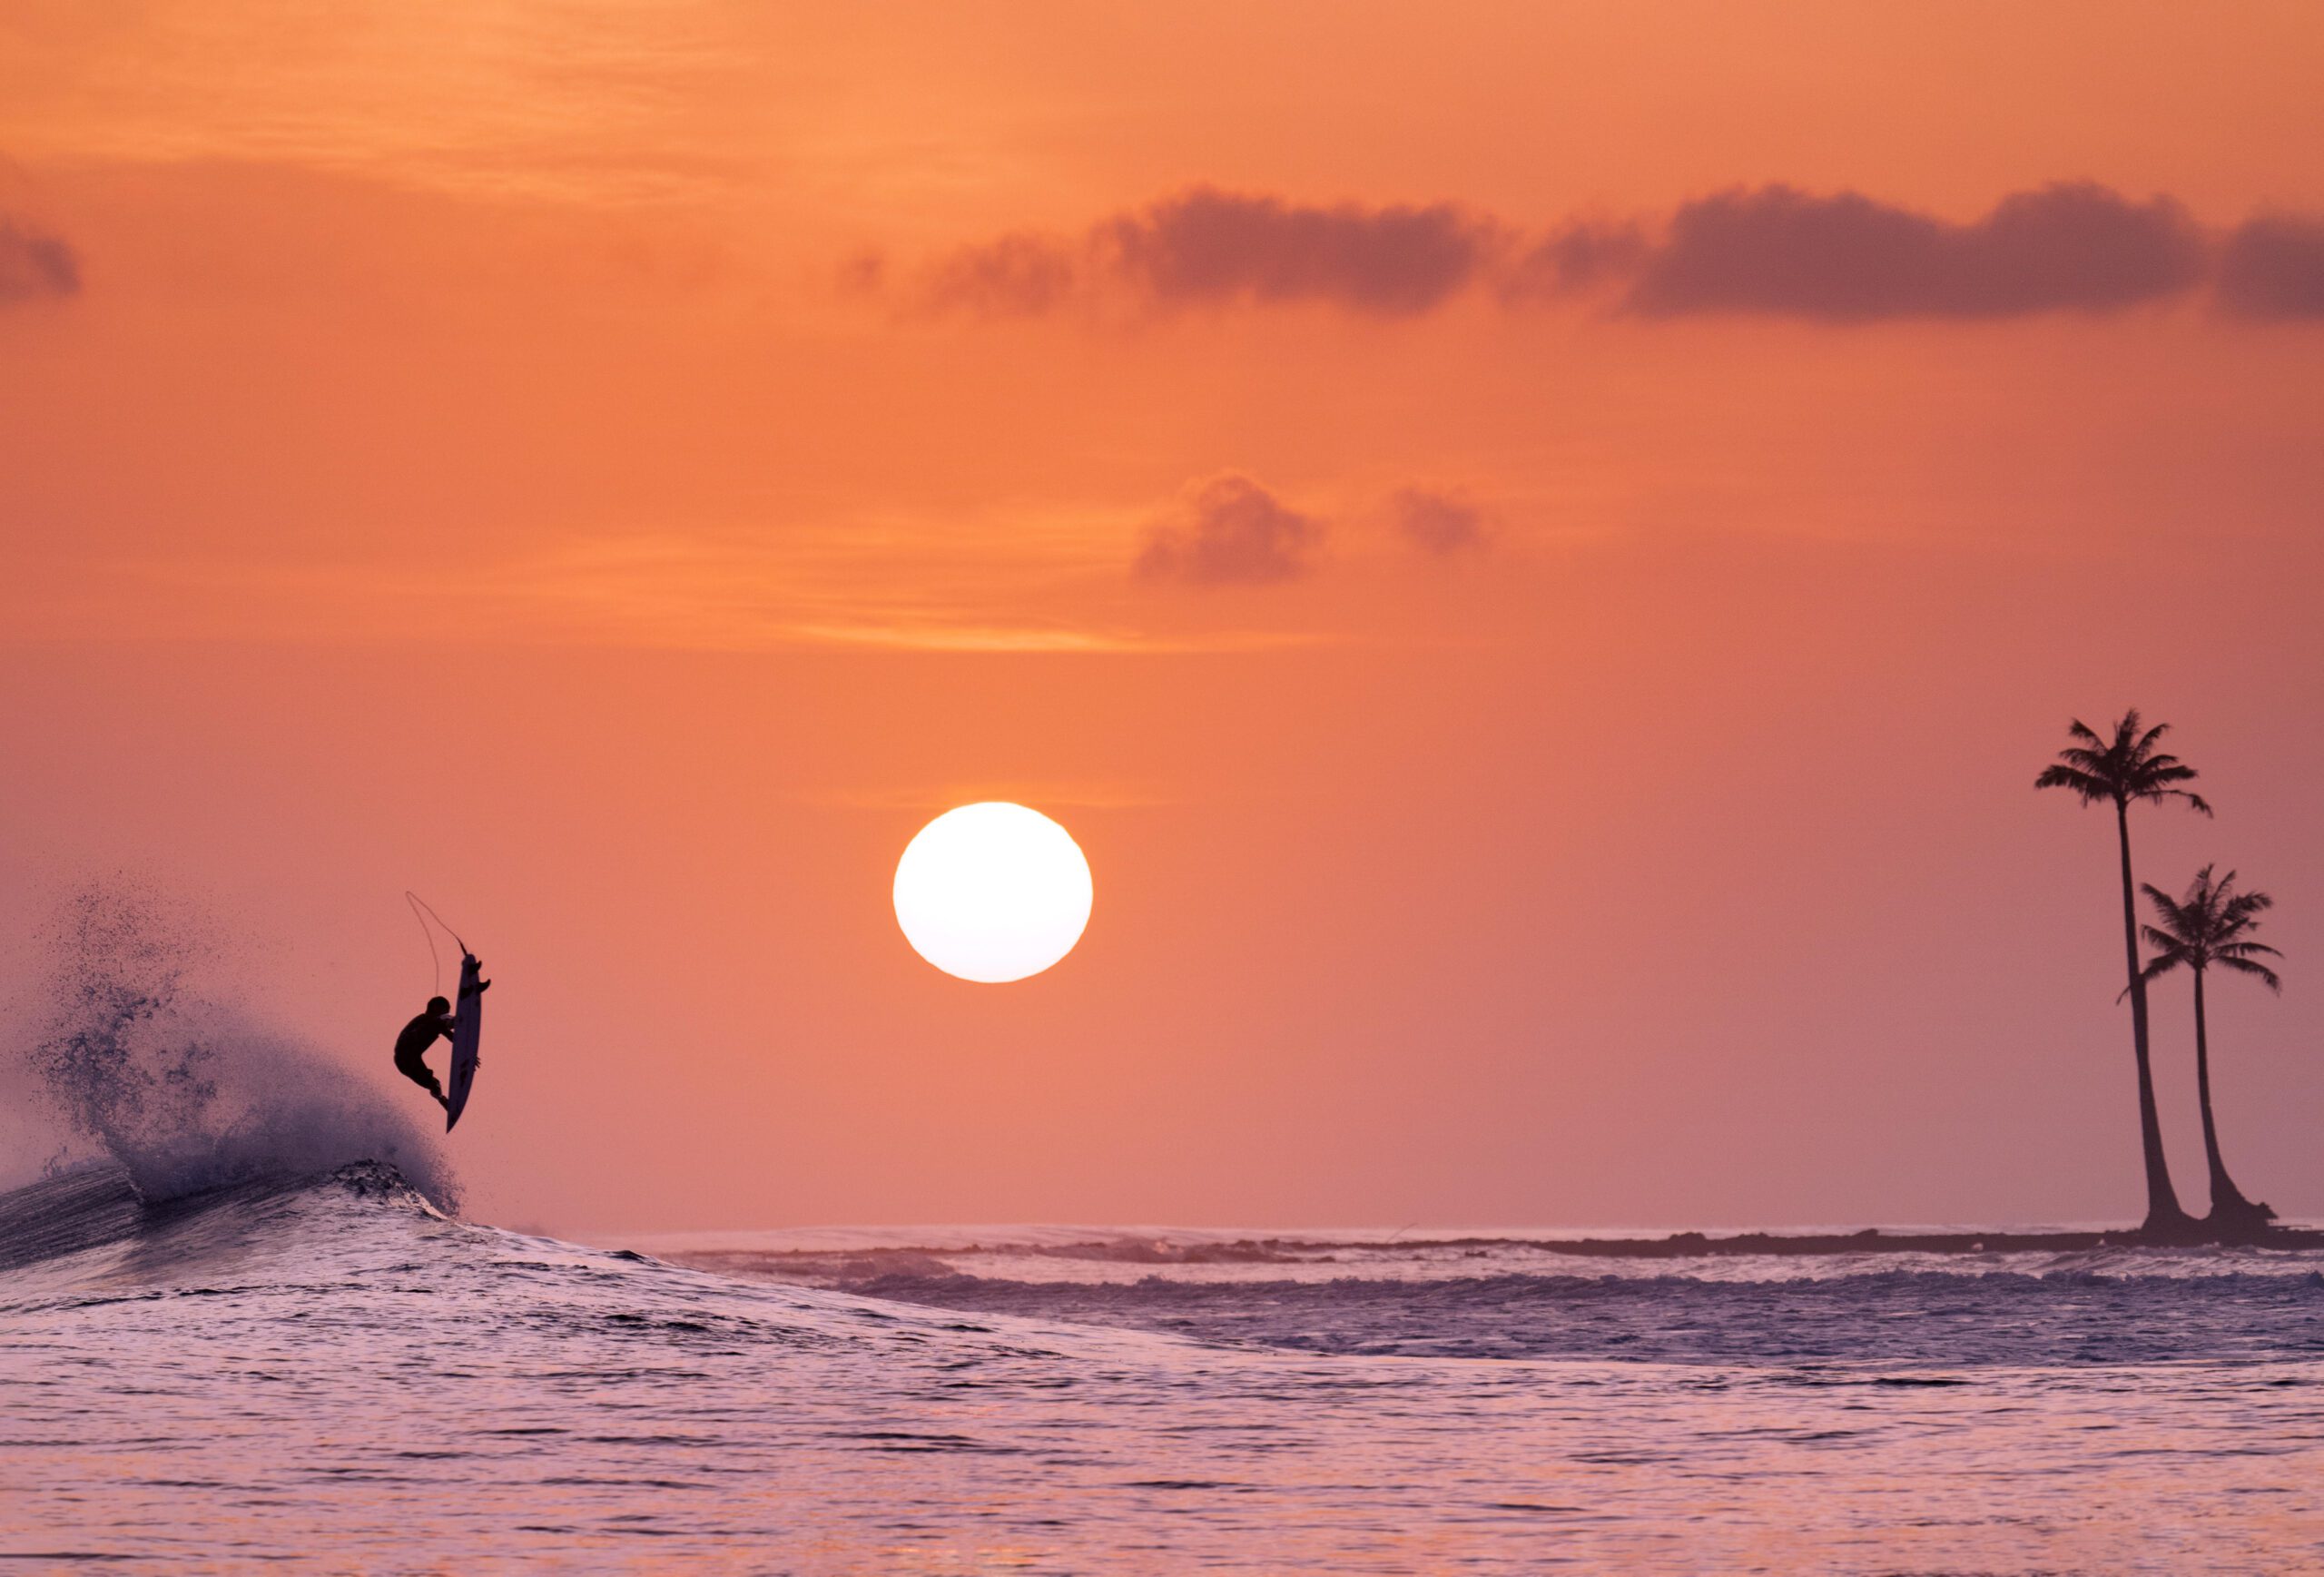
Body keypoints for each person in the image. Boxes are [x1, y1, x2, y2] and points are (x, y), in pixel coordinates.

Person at [394, 972, 488, 1109]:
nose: (446, 1011)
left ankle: (442, 1100)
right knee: (440, 1021)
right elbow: (443, 1027)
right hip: (405, 1050)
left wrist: (469, 1054)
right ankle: (461, 1014)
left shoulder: (435, 1025)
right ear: (435, 1007)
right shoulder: (426, 1019)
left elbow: (453, 1039)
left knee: (434, 1084)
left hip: (405, 1062)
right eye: (445, 1010)